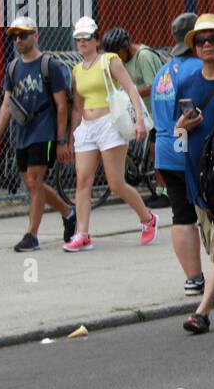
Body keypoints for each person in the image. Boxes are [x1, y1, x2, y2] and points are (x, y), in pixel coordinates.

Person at [64, 17, 159, 250]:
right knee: (82, 182)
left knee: (116, 183)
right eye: (78, 38)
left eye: (86, 37)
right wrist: (72, 134)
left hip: (110, 123)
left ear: (96, 39)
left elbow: (130, 88)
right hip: (86, 127)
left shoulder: (110, 60)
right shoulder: (76, 70)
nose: (82, 42)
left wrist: (139, 120)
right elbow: (77, 106)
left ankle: (148, 219)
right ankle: (82, 233)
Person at [0, 15, 76, 252]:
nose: (18, 40)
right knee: (30, 183)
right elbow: (6, 104)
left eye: (23, 35)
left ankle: (32, 235)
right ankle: (69, 213)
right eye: (14, 36)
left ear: (35, 36)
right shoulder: (13, 67)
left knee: (36, 181)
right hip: (22, 133)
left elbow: (61, 106)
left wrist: (61, 140)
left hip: (44, 132)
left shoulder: (50, 66)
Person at [172, 14, 214, 332]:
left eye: (213, 38)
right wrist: (182, 127)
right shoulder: (186, 83)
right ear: (194, 47)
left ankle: (203, 311)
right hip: (197, 174)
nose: (207, 44)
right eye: (201, 41)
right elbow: (176, 131)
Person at [152, 13, 207, 295]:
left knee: (181, 215)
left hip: (166, 150)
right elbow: (197, 114)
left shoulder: (163, 72)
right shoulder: (199, 70)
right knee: (212, 214)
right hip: (190, 150)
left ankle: (193, 278)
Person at [103, 26, 165, 118]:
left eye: (116, 53)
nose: (115, 58)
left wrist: (129, 95)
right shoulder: (122, 60)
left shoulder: (143, 56)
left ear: (126, 46)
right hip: (142, 114)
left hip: (158, 114)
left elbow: (153, 87)